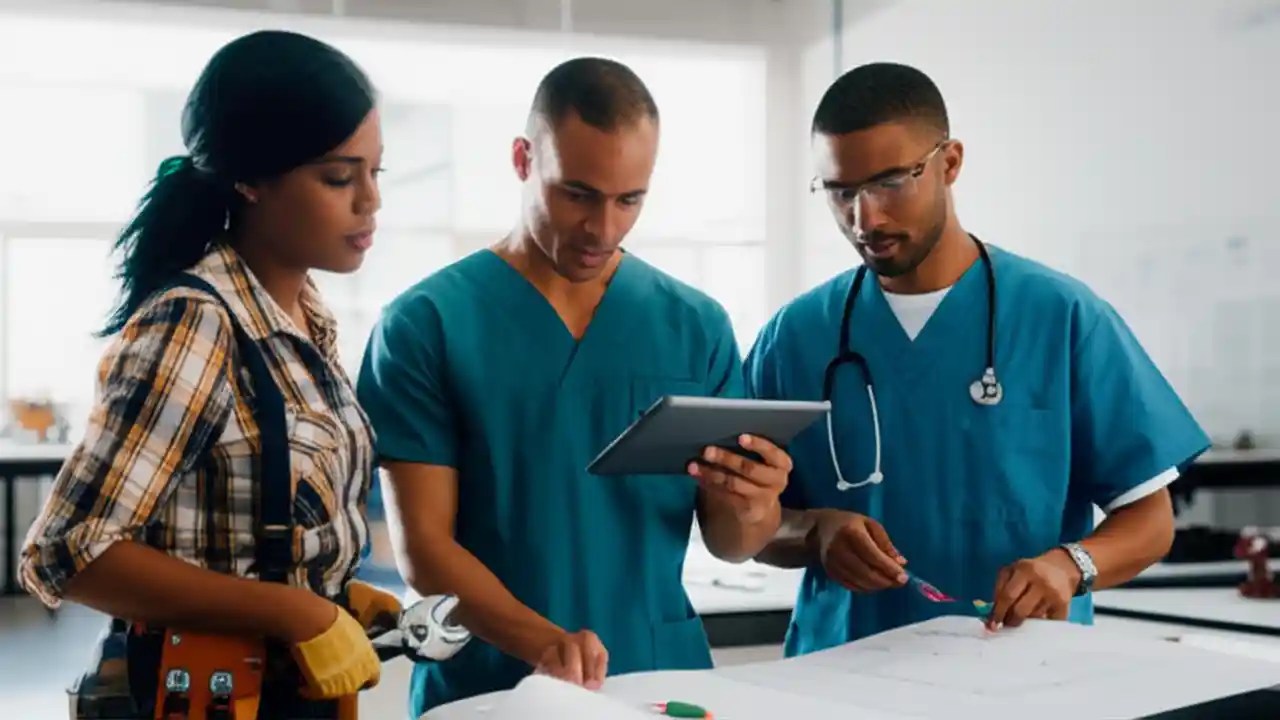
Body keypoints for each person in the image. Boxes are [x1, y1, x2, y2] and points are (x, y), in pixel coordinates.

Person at [356, 56, 792, 715]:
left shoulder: (695, 325)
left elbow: (730, 544)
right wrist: (543, 642)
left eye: (629, 200)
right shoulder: (427, 324)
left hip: (659, 678)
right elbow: (425, 550)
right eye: (578, 194)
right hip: (492, 682)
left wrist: (756, 506)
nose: (604, 229)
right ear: (523, 159)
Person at [747, 62, 1209, 656]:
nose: (866, 218)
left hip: (1022, 674)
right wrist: (813, 532)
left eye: (890, 182)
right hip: (839, 672)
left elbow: (1150, 520)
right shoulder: (796, 336)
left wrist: (1070, 567)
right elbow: (752, 527)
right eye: (841, 191)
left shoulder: (1062, 317)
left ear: (950, 163)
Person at [19, 30, 400, 717]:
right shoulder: (198, 323)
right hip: (212, 693)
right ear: (250, 181)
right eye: (339, 177)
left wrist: (331, 591)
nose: (369, 201)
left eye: (377, 172)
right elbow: (70, 551)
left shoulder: (303, 320)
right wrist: (293, 611)